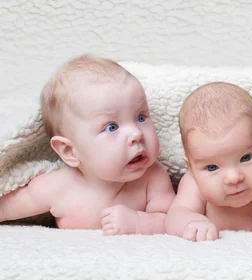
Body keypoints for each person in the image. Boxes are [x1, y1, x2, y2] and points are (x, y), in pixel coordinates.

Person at [0, 55, 175, 235]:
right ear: (70, 151)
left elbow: (173, 221)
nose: (136, 134)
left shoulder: (153, 178)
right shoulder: (55, 187)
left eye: (141, 117)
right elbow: (4, 209)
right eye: (111, 127)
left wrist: (139, 222)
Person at [165, 82, 252, 241]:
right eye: (212, 167)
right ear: (190, 167)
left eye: (245, 158)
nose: (233, 178)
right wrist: (191, 221)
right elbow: (175, 215)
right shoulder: (194, 185)